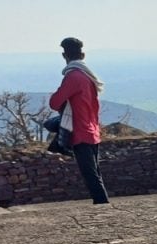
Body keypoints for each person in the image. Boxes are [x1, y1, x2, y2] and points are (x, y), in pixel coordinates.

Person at [50, 37, 109, 204]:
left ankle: (103, 206)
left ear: (64, 56)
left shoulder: (73, 76)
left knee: (90, 174)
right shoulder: (88, 76)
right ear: (82, 55)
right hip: (92, 129)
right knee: (95, 173)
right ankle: (103, 205)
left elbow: (54, 102)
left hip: (80, 131)